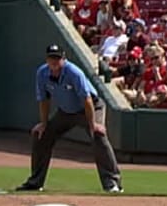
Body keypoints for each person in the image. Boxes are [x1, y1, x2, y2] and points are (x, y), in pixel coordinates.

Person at [17, 44, 123, 193]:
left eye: (57, 58)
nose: (54, 61)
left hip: (90, 108)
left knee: (99, 135)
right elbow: (44, 100)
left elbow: (87, 99)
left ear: (63, 59)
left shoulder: (73, 72)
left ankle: (112, 183)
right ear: (47, 59)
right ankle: (35, 182)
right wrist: (44, 123)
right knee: (40, 135)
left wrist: (93, 124)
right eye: (51, 58)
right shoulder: (42, 73)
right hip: (65, 112)